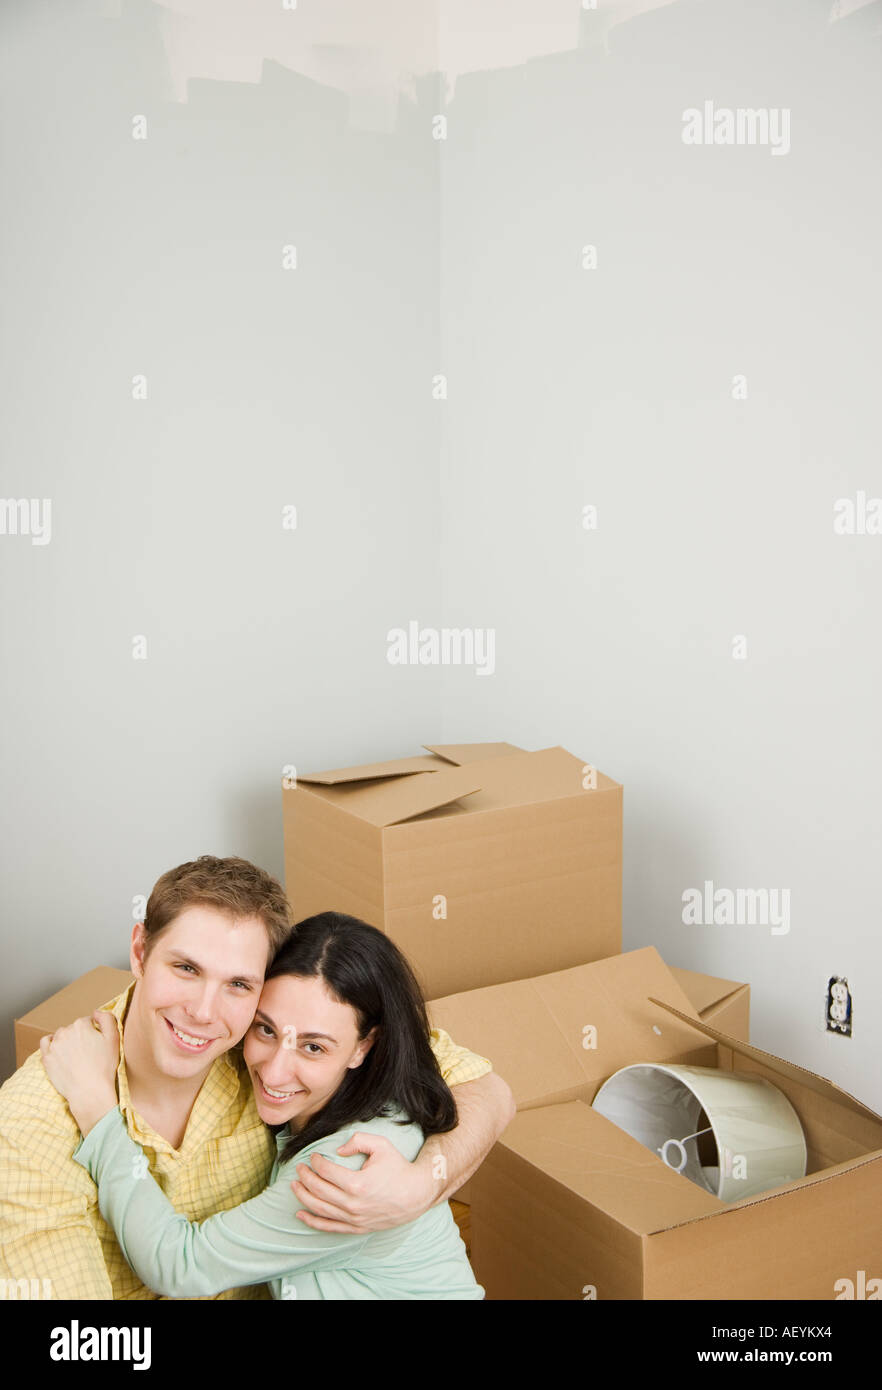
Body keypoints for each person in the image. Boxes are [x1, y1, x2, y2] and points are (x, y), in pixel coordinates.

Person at [0, 856, 514, 1299]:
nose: (203, 1012)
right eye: (186, 968)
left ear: (364, 1047)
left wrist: (424, 1184)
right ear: (139, 952)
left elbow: (490, 1089)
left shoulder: (344, 1156)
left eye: (238, 983)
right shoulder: (34, 1125)